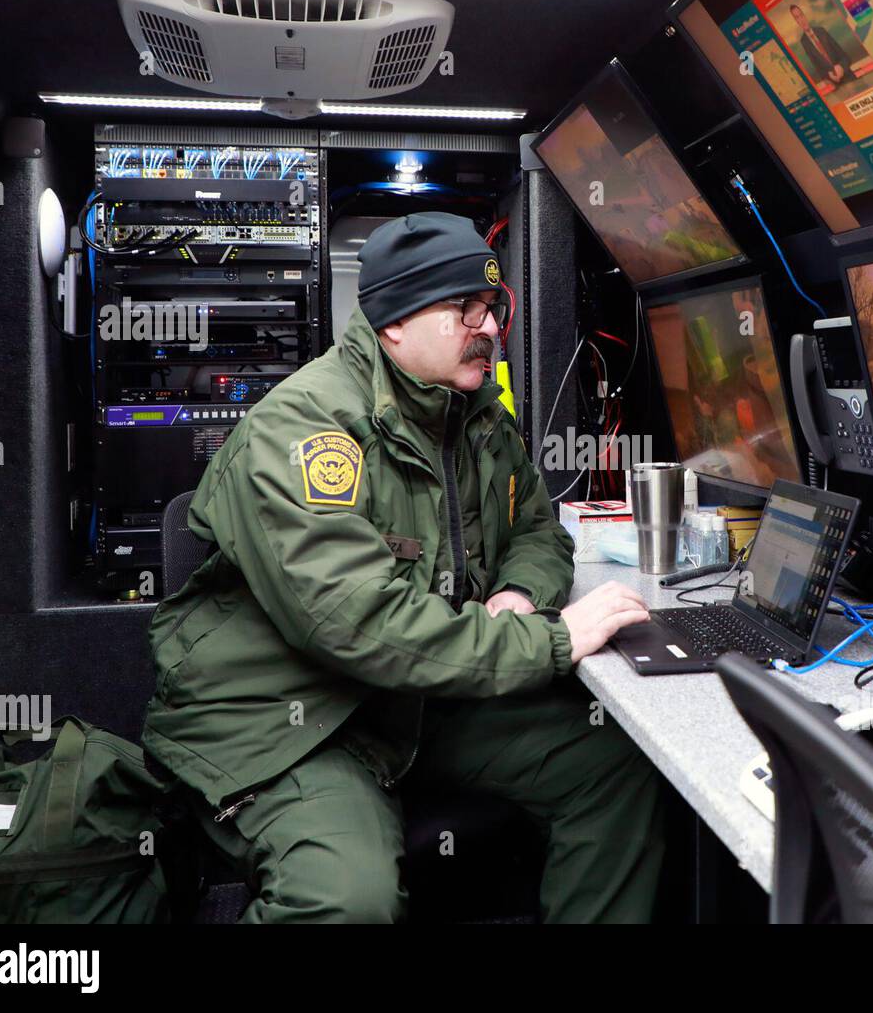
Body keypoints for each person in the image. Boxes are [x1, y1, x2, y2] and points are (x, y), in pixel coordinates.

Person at [141, 211, 663, 923]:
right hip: (296, 719)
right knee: (344, 900)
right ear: (392, 324)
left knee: (615, 765)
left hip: (415, 702)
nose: (489, 328)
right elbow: (360, 622)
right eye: (464, 310)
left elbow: (539, 530)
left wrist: (516, 592)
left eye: (495, 307)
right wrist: (553, 639)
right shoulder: (305, 430)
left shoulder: (475, 412)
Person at [789, 2, 856, 88]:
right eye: (797, 17)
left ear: (805, 16)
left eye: (801, 15)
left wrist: (841, 67)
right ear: (796, 21)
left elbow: (845, 57)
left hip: (849, 77)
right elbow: (818, 67)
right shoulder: (804, 42)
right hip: (837, 86)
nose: (801, 20)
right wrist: (828, 77)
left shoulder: (821, 31)